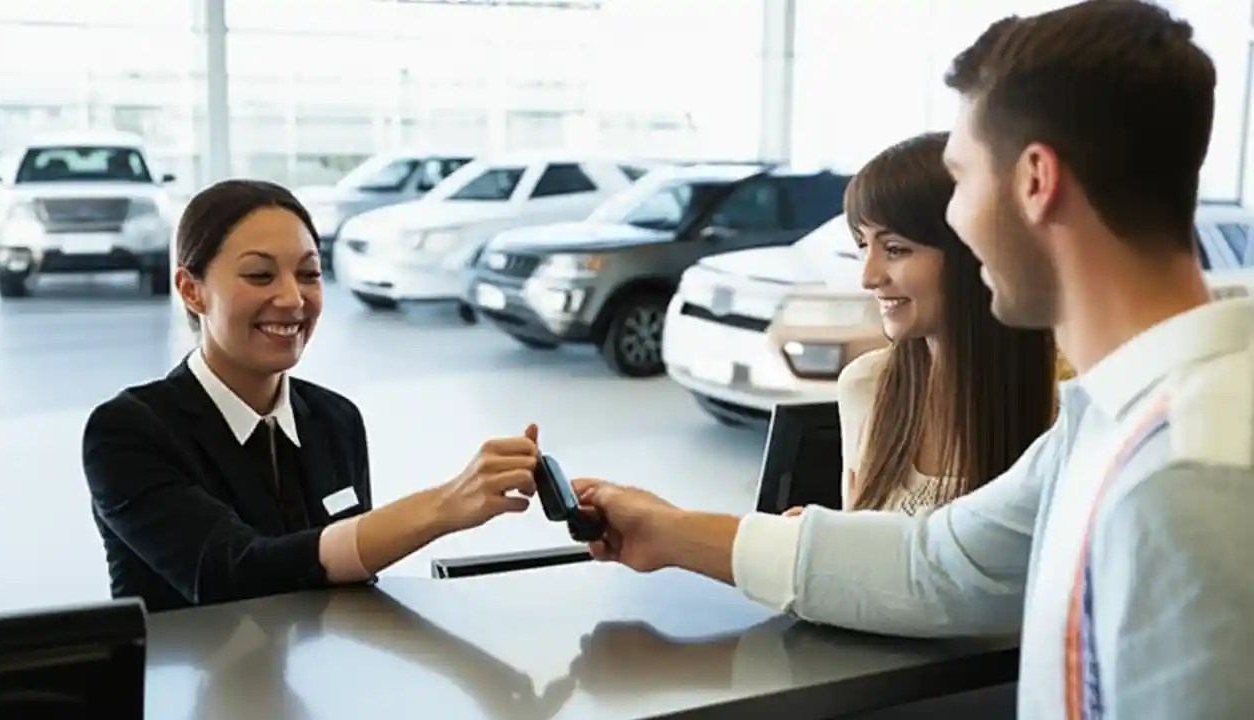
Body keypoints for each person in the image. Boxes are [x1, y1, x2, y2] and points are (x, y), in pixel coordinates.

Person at [571, 2, 1254, 717]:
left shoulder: (1192, 474)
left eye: (959, 180)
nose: (953, 219)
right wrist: (669, 530)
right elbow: (932, 563)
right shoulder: (1112, 422)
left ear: (1034, 181)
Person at [82, 179, 540, 612]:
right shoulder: (128, 431)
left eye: (309, 274)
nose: (292, 298)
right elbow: (233, 574)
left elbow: (350, 584)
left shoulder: (334, 419)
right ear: (191, 290)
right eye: (260, 275)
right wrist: (442, 507)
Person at [816, 131, 1057, 514]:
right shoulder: (866, 386)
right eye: (863, 246)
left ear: (974, 251)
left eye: (895, 249)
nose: (869, 276)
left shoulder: (1064, 404)